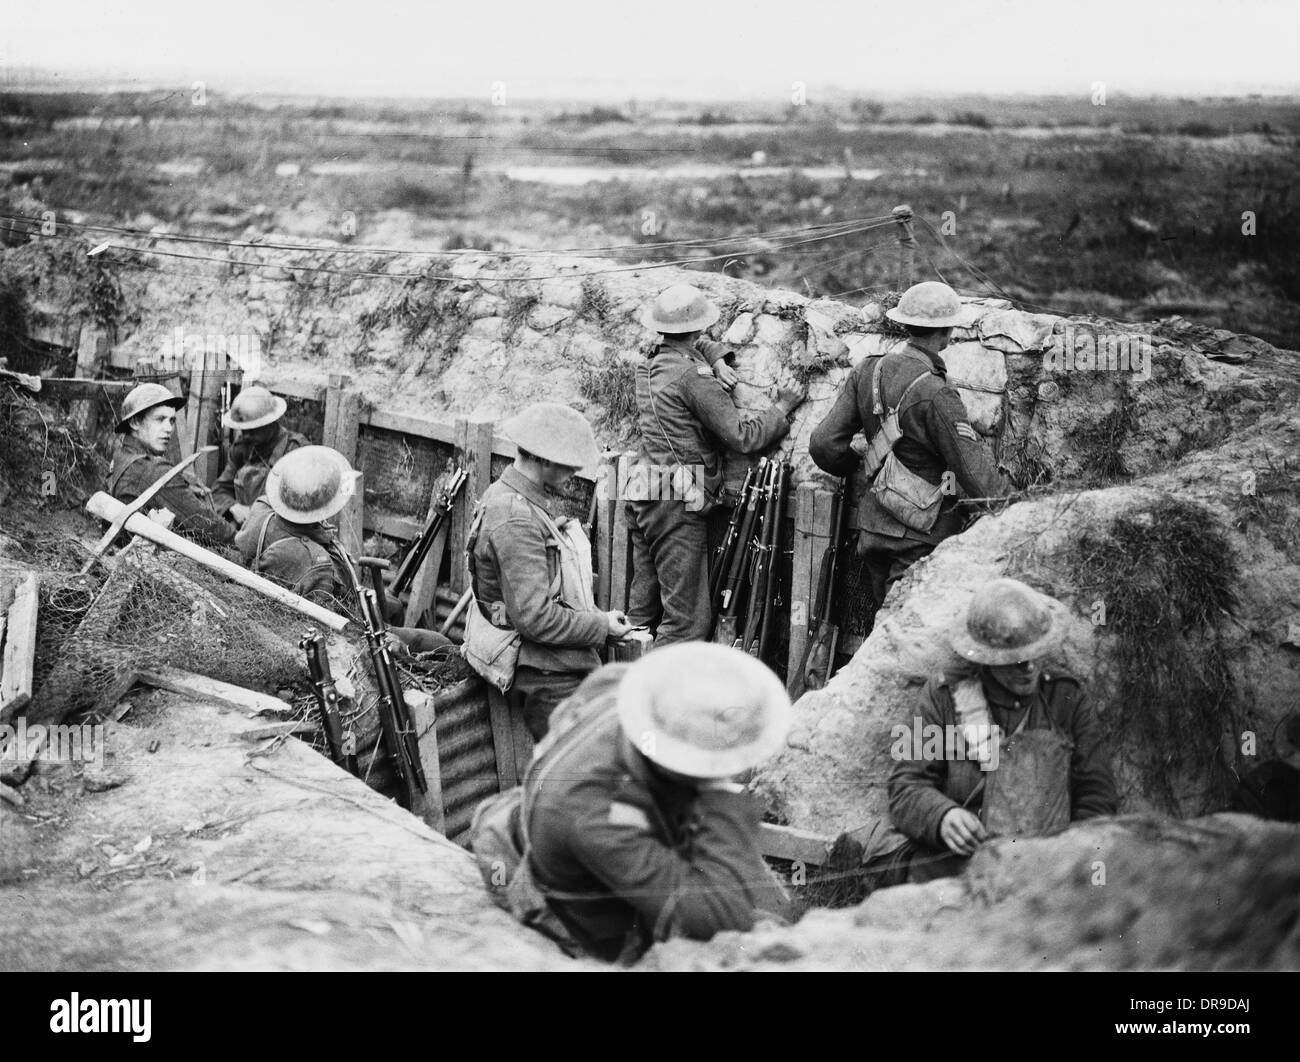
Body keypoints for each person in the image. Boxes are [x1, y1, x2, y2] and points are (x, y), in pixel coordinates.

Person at [523, 643, 793, 962]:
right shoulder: (592, 812)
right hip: (592, 918)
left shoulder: (622, 685)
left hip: (615, 833)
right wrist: (719, 789)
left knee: (774, 913)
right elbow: (722, 917)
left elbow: (558, 717)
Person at [872, 578, 1118, 886]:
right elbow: (905, 785)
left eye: (1034, 655)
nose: (1029, 668)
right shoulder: (943, 697)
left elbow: (1097, 797)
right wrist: (942, 817)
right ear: (988, 659)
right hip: (963, 866)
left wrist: (1069, 859)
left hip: (1047, 868)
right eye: (1016, 661)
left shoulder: (1065, 699)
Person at [809, 280, 1008, 625]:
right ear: (946, 333)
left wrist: (860, 463)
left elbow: (824, 444)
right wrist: (1017, 506)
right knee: (904, 635)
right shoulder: (937, 393)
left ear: (904, 323)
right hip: (920, 537)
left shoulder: (868, 370)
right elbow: (978, 479)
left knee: (886, 629)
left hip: (873, 529)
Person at [626, 283, 806, 645]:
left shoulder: (652, 365)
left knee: (639, 618)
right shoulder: (693, 377)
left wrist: (716, 356)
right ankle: (659, 700)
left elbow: (691, 346)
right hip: (675, 501)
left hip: (641, 490)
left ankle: (619, 688)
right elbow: (742, 436)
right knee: (686, 624)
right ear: (696, 328)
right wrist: (783, 408)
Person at [466, 402, 631, 740]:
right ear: (543, 458)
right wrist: (601, 624)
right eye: (568, 464)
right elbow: (536, 619)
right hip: (543, 675)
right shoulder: (515, 517)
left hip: (547, 660)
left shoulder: (509, 497)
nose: (574, 473)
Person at [237, 445, 448, 653]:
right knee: (434, 642)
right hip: (342, 629)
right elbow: (329, 631)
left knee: (394, 606)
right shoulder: (315, 562)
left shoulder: (262, 509)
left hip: (288, 601)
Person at [106, 383, 235, 548]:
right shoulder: (152, 469)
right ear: (135, 422)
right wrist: (241, 544)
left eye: (172, 421)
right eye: (160, 419)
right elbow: (204, 522)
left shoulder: (122, 455)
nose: (168, 429)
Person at [211, 385, 309, 528]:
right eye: (243, 430)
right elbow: (220, 490)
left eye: (253, 430)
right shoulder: (242, 448)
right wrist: (233, 507)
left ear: (270, 422)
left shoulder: (296, 451)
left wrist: (258, 515)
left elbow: (304, 506)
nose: (246, 436)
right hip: (243, 530)